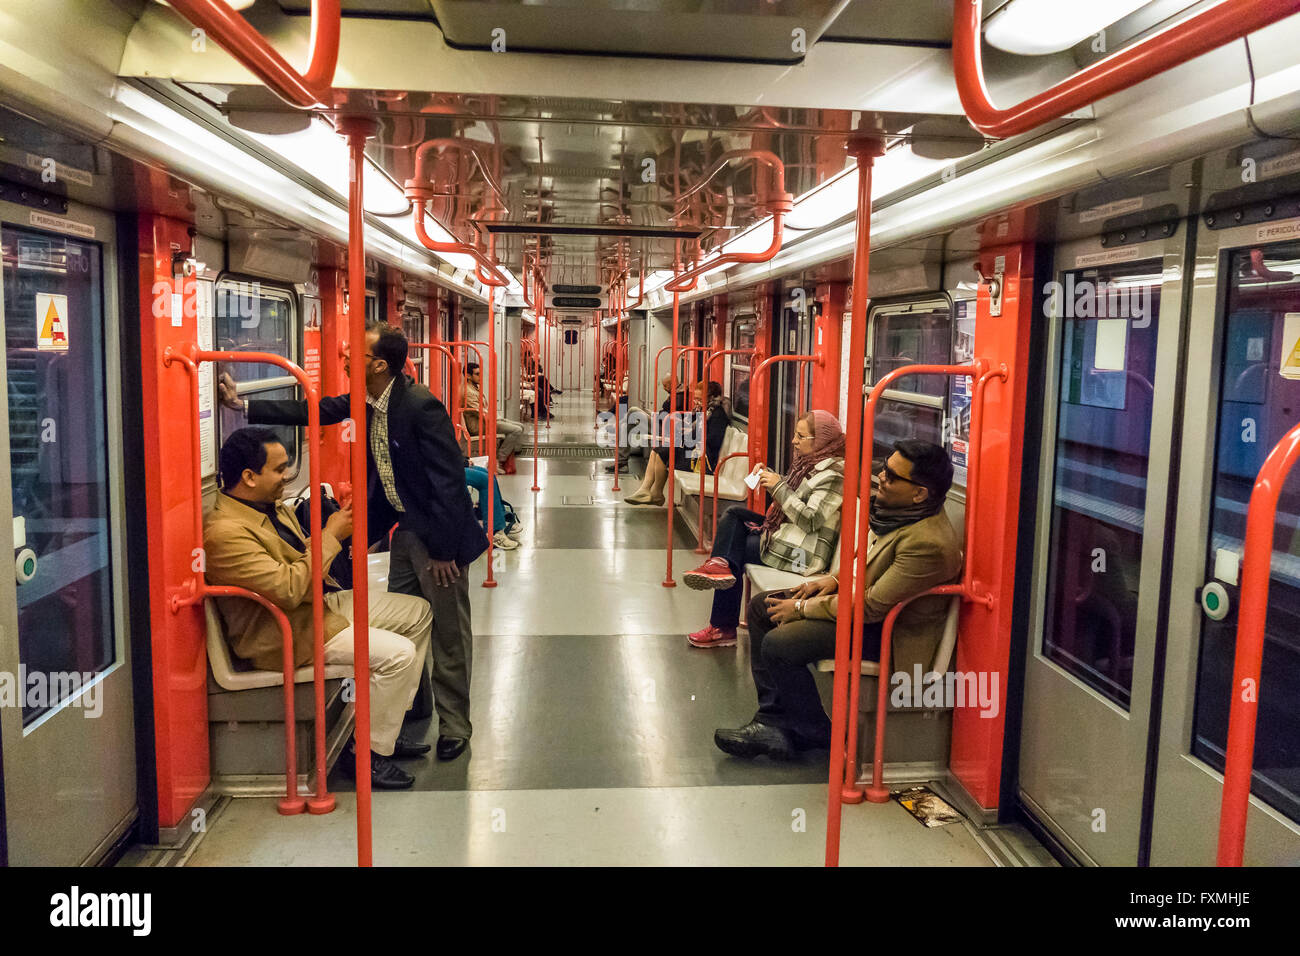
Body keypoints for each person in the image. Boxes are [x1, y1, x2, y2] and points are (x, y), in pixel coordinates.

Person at [218, 324, 486, 762]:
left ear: (379, 365)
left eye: (354, 354)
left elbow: (450, 482)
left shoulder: (420, 408)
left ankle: (456, 725)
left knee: (450, 634)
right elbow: (319, 410)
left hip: (440, 538)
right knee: (409, 618)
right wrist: (242, 405)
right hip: (404, 529)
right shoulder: (368, 401)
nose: (345, 358)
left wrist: (443, 551)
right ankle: (410, 712)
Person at [204, 427, 434, 790]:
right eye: (279, 470)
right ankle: (368, 754)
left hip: (315, 609)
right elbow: (289, 588)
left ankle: (382, 729)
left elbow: (299, 564)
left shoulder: (268, 507)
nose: (287, 477)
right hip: (285, 633)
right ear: (248, 477)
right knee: (400, 655)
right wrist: (330, 536)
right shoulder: (226, 533)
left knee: (418, 613)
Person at [713, 440, 963, 759]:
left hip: (887, 633)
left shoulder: (928, 544)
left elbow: (872, 607)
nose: (882, 478)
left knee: (780, 644)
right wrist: (830, 581)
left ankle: (816, 731)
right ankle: (775, 723)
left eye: (892, 476)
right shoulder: (903, 515)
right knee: (762, 608)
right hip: (865, 610)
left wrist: (802, 608)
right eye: (884, 469)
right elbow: (875, 568)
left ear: (920, 493)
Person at [682, 410, 846, 648]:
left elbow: (810, 520)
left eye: (801, 437)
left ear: (819, 440)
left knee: (733, 552)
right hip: (786, 535)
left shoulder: (833, 474)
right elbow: (798, 498)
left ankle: (722, 624)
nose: (794, 441)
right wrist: (773, 477)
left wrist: (778, 486)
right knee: (734, 515)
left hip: (802, 554)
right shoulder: (809, 465)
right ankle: (719, 567)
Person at [624, 374, 692, 506]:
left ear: (672, 383)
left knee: (633, 412)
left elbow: (668, 415)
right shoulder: (678, 394)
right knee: (628, 421)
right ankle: (650, 491)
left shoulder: (679, 397)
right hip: (663, 423)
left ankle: (622, 460)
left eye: (666, 385)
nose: (664, 388)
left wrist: (659, 415)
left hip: (665, 428)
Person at [463, 361, 525, 468]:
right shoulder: (468, 392)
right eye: (477, 374)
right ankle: (500, 459)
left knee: (521, 426)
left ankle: (507, 455)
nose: (480, 377)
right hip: (479, 425)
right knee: (516, 430)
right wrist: (497, 419)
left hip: (484, 420)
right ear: (468, 376)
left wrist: (498, 418)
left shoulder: (474, 388)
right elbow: (481, 413)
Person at [464, 456, 521, 550]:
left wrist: (464, 460)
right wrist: (463, 462)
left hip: (451, 464)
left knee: (490, 475)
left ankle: (499, 519)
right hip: (444, 469)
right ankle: (495, 532)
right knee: (486, 480)